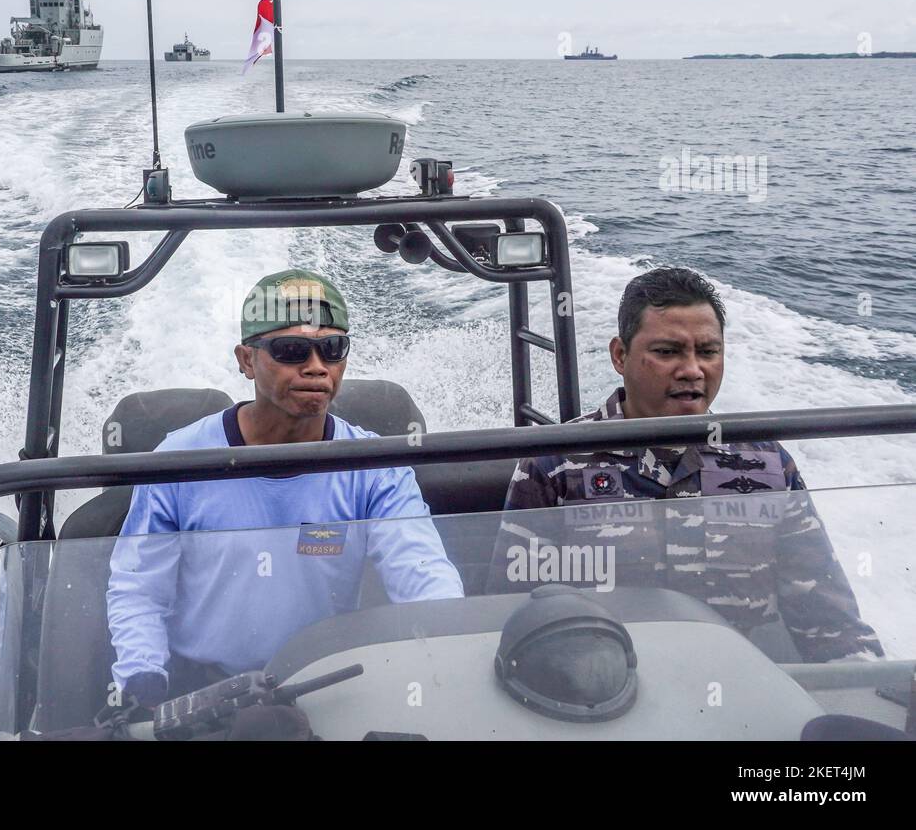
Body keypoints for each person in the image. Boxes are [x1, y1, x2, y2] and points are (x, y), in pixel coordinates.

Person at [486, 266, 882, 663]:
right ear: (620, 356)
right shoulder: (556, 464)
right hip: (602, 697)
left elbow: (831, 623)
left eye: (708, 352)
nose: (692, 370)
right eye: (667, 352)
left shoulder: (768, 463)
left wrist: (870, 686)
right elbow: (511, 621)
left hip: (745, 695)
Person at [107, 269, 464, 706]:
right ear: (246, 360)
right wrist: (142, 678)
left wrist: (448, 648)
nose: (316, 367)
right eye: (292, 350)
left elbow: (421, 568)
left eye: (332, 349)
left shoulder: (374, 465)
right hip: (202, 696)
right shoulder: (179, 460)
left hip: (330, 689)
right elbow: (139, 586)